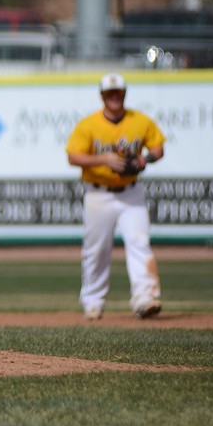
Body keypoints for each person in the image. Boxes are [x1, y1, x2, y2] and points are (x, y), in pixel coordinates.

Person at [65, 72, 167, 320]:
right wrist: (104, 159)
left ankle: (145, 298)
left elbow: (158, 148)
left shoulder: (139, 121)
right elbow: (73, 156)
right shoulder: (89, 125)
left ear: (124, 93)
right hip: (98, 194)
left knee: (139, 243)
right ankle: (93, 302)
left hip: (131, 192)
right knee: (96, 250)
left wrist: (144, 159)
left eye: (118, 92)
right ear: (102, 96)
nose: (114, 97)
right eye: (109, 93)